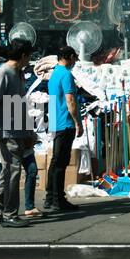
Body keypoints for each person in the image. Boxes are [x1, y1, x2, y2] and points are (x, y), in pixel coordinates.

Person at [0, 41, 36, 229]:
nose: (30, 59)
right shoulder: (4, 73)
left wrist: (28, 131)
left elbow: (21, 105)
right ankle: (9, 213)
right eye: (29, 55)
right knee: (13, 172)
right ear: (23, 55)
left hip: (18, 131)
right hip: (8, 131)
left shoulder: (18, 74)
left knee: (7, 172)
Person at [44, 46, 83, 214]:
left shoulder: (54, 73)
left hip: (56, 121)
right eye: (74, 58)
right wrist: (78, 123)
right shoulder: (66, 74)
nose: (75, 62)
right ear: (69, 57)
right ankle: (57, 199)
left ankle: (50, 198)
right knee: (60, 163)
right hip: (65, 123)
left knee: (55, 161)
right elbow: (70, 100)